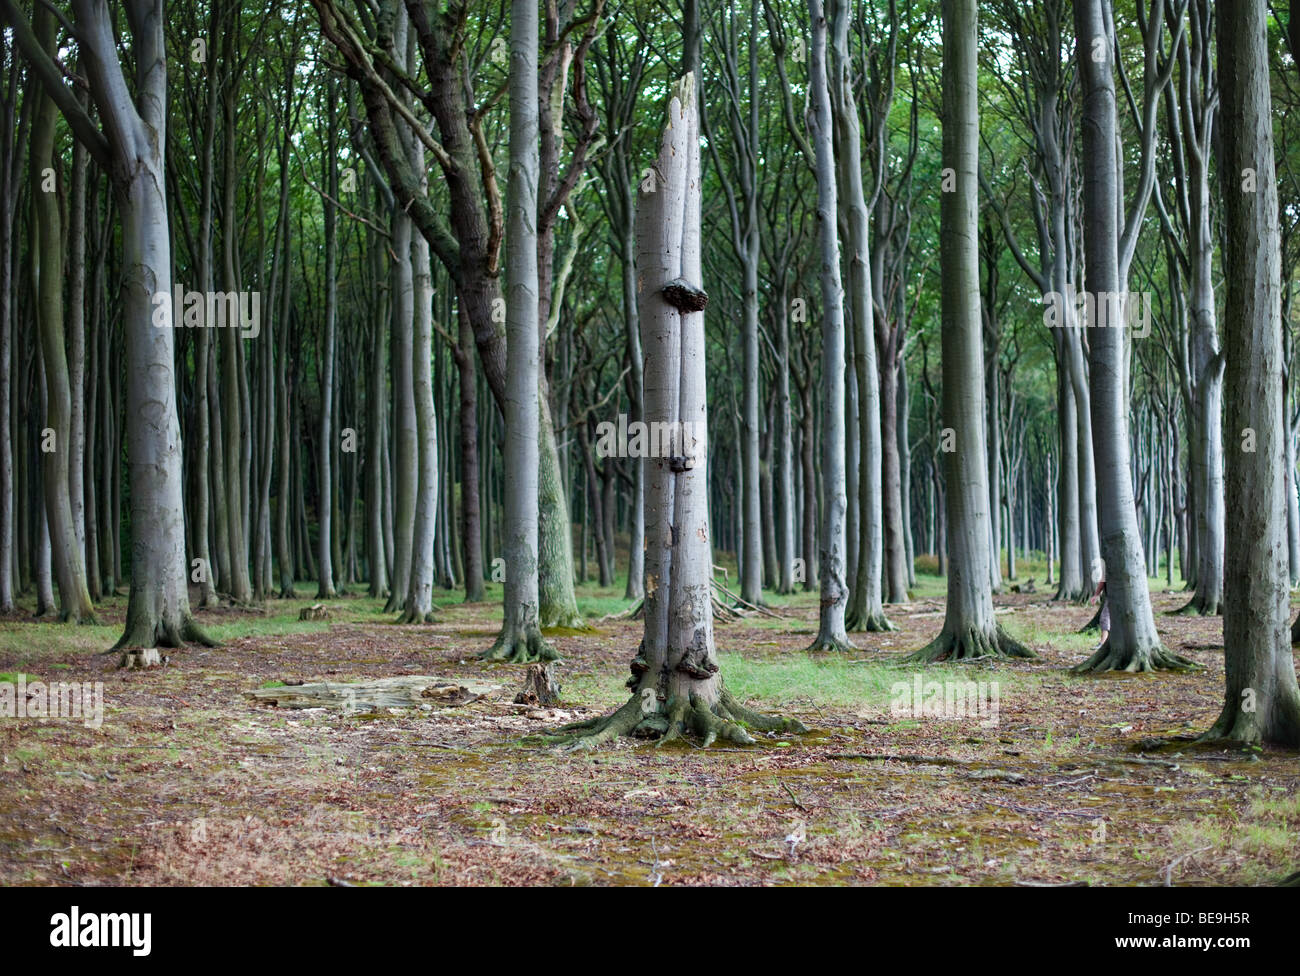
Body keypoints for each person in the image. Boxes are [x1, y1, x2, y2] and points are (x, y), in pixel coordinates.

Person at [1090, 572, 1109, 649]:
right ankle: (1103, 642)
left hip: (1115, 596)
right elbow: (1103, 580)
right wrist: (1096, 595)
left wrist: (1096, 595)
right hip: (1111, 596)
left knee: (1105, 618)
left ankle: (1103, 643)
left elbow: (1103, 580)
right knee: (1105, 618)